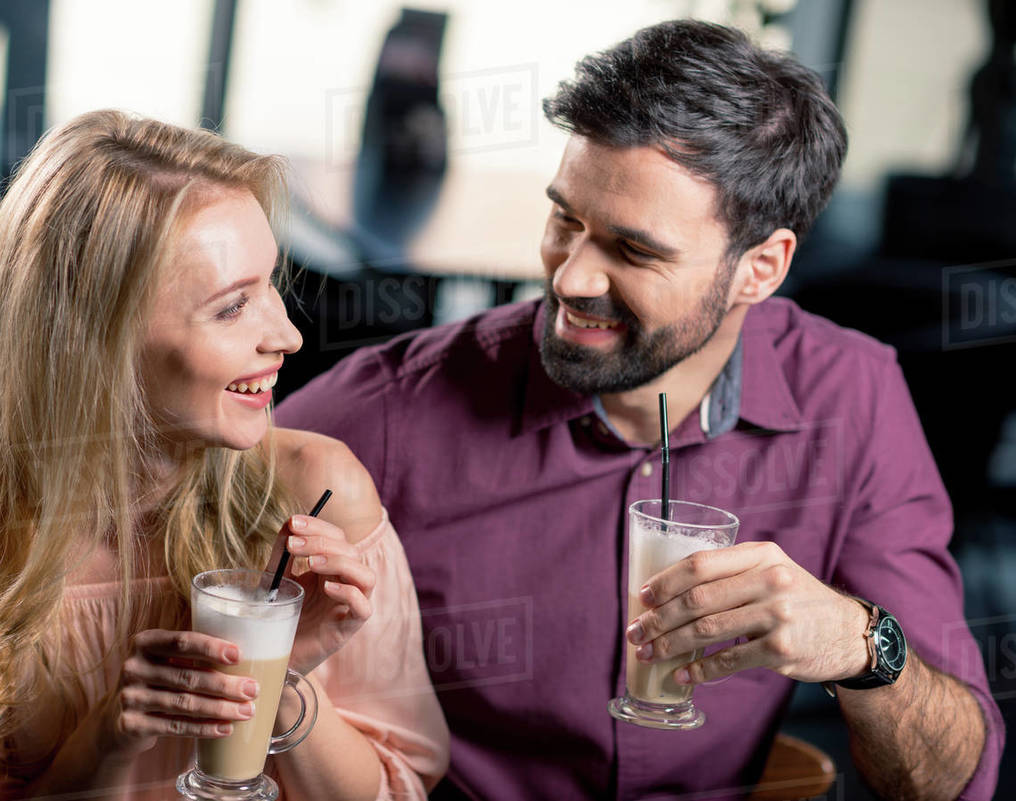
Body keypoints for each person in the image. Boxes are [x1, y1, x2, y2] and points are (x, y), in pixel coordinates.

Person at [276, 19, 1004, 801]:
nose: (571, 278)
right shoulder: (392, 408)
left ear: (761, 268)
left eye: (634, 250)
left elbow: (953, 779)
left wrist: (860, 645)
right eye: (566, 220)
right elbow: (175, 539)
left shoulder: (852, 397)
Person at [0, 109, 449, 801]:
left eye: (271, 283)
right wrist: (105, 740)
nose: (288, 335)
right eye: (232, 307)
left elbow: (399, 788)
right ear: (95, 339)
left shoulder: (320, 492)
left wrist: (277, 685)